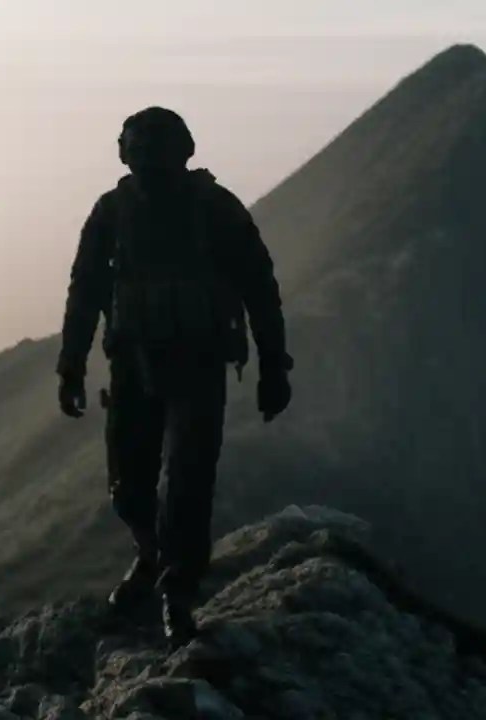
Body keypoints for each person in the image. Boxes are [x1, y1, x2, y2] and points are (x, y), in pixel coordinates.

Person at [56, 106, 292, 644]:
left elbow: (260, 287)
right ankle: (150, 556)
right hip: (132, 367)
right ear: (123, 153)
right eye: (137, 149)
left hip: (199, 366)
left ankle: (176, 594)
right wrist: (70, 365)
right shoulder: (112, 213)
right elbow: (85, 290)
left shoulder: (215, 209)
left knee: (188, 483)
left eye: (157, 148)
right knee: (128, 487)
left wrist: (274, 364)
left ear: (184, 151)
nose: (147, 159)